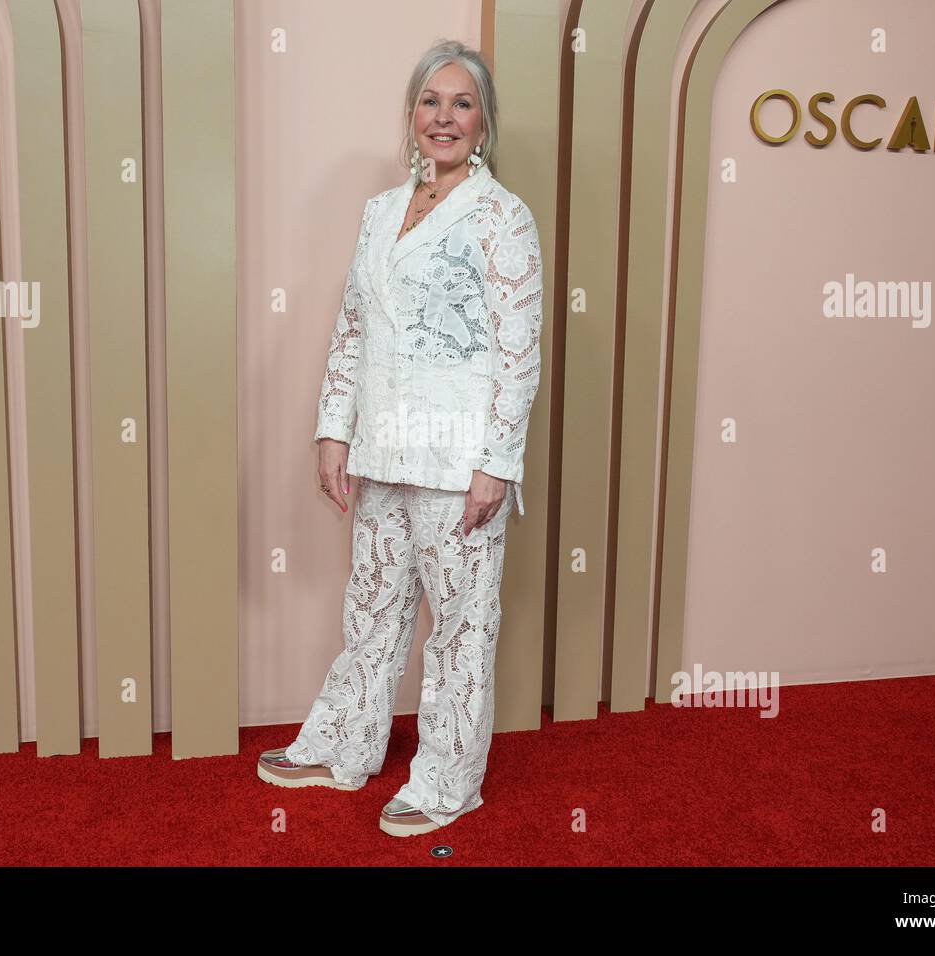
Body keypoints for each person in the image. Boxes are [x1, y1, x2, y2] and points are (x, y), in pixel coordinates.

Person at [257, 38, 543, 838]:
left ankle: (447, 783)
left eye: (461, 103)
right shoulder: (380, 212)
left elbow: (520, 351)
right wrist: (332, 431)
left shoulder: (501, 216)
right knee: (373, 609)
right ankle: (343, 746)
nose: (443, 116)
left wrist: (497, 463)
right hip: (381, 448)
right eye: (430, 101)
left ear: (483, 122)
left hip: (460, 461)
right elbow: (354, 328)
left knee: (459, 626)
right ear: (411, 116)